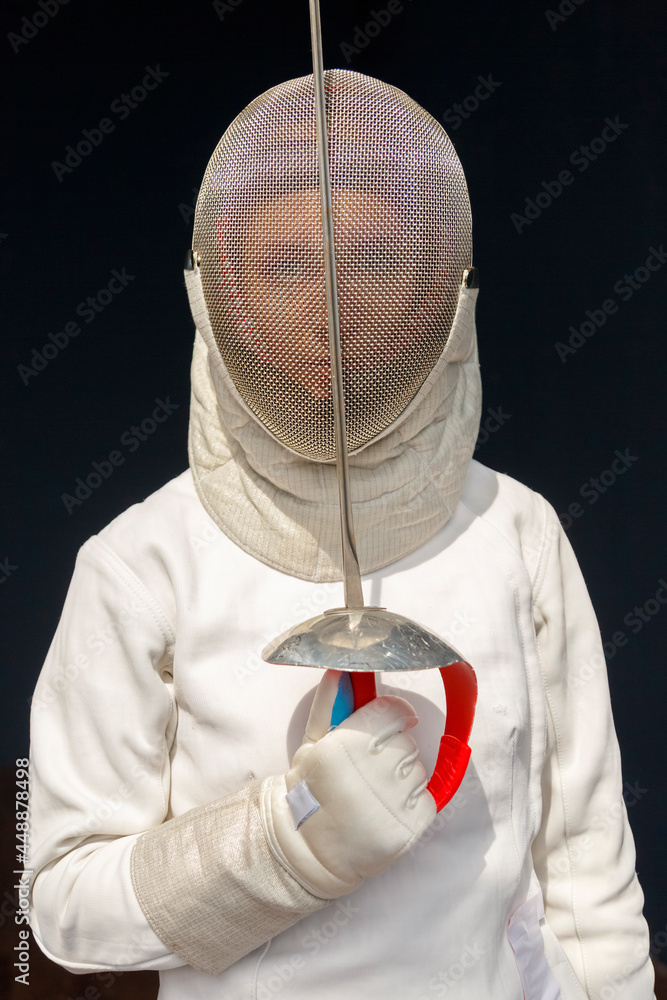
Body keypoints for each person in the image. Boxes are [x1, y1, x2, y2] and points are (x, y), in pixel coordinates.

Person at [27, 69, 654, 1000]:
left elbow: (584, 868)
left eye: (371, 263)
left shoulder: (516, 531)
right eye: (290, 267)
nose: (330, 305)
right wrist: (287, 842)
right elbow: (63, 904)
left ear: (437, 290)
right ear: (229, 293)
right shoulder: (140, 562)